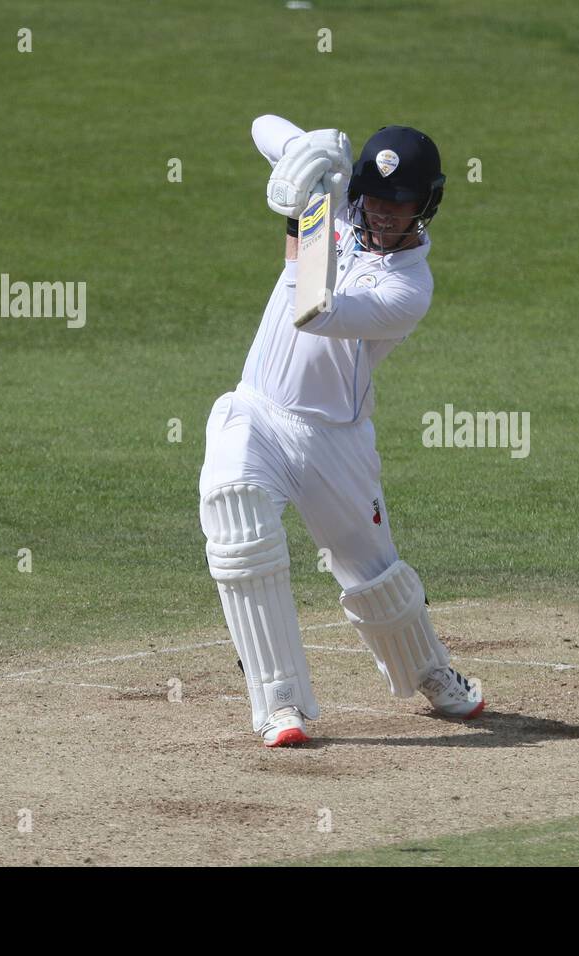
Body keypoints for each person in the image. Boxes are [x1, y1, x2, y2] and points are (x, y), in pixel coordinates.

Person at [197, 115, 485, 747]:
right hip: (258, 412)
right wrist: (311, 152)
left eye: (398, 206)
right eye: (374, 201)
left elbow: (313, 310)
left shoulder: (409, 287)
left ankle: (429, 671)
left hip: (335, 439)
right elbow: (260, 125)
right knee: (237, 526)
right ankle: (280, 703)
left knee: (371, 572)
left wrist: (300, 216)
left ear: (425, 207)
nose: (382, 216)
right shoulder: (338, 204)